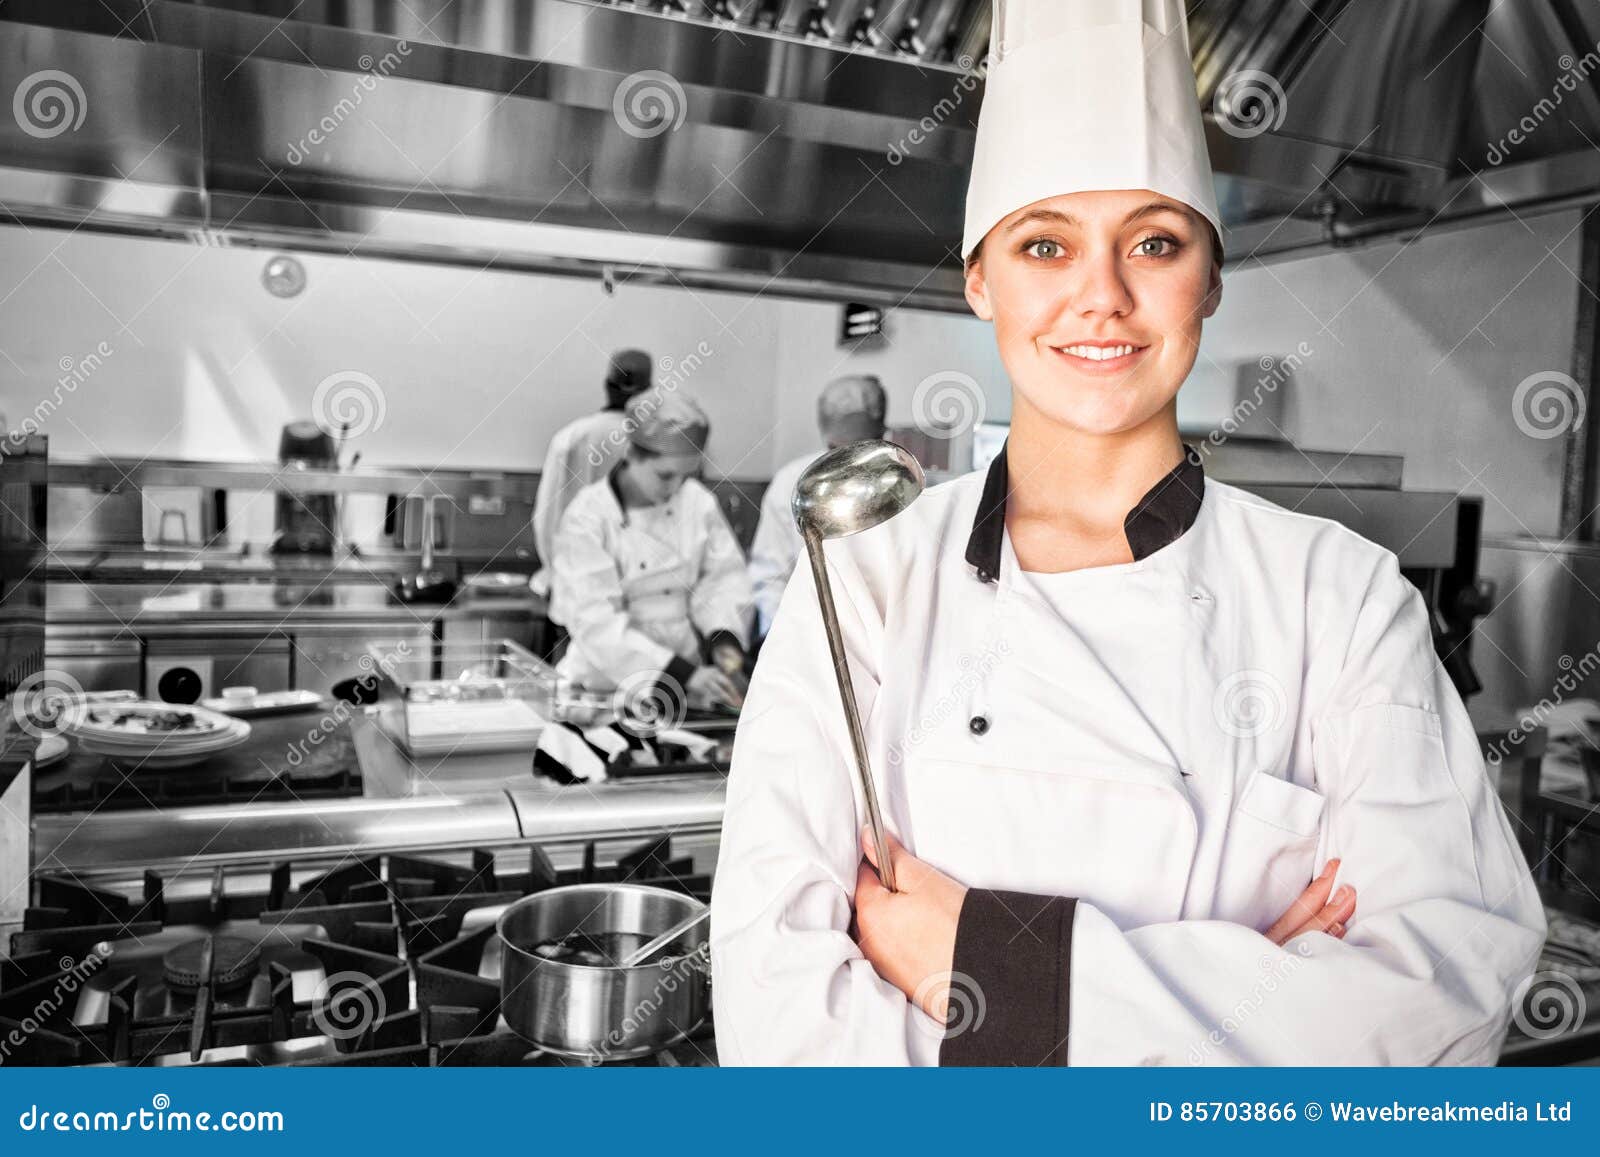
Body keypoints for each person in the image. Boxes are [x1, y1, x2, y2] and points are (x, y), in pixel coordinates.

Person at [710, 0, 1544, 1066]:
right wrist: (1243, 991)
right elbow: (777, 1032)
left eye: (1153, 242)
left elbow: (1443, 1006)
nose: (1100, 296)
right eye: (1044, 244)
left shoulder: (1339, 596)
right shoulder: (868, 582)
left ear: (1210, 276)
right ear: (979, 280)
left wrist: (979, 966)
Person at [550, 390, 751, 709]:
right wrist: (679, 673)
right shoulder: (588, 516)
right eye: (665, 475)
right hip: (603, 687)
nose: (675, 488)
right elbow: (595, 620)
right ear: (631, 453)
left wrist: (723, 639)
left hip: (688, 691)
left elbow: (722, 578)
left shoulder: (698, 503)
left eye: (686, 475)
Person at [749, 375, 888, 637]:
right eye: (837, 450)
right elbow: (770, 576)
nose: (848, 463)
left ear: (881, 435)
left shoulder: (901, 483)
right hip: (805, 631)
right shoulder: (791, 483)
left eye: (861, 450)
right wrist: (784, 639)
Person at [531, 349, 654, 596]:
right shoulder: (659, 444)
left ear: (607, 386)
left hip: (575, 589)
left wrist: (556, 574)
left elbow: (546, 520)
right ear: (649, 392)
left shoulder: (570, 438)